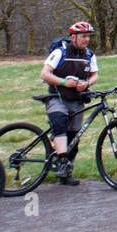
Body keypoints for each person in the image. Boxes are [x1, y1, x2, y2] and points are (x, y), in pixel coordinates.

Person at [39, 20, 99, 186]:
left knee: (74, 137)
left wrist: (87, 84)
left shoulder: (89, 55)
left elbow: (94, 75)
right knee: (60, 123)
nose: (86, 40)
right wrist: (64, 82)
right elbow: (44, 74)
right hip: (57, 98)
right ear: (73, 37)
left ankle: (65, 173)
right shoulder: (61, 52)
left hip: (77, 100)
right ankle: (62, 162)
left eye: (88, 36)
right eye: (83, 36)